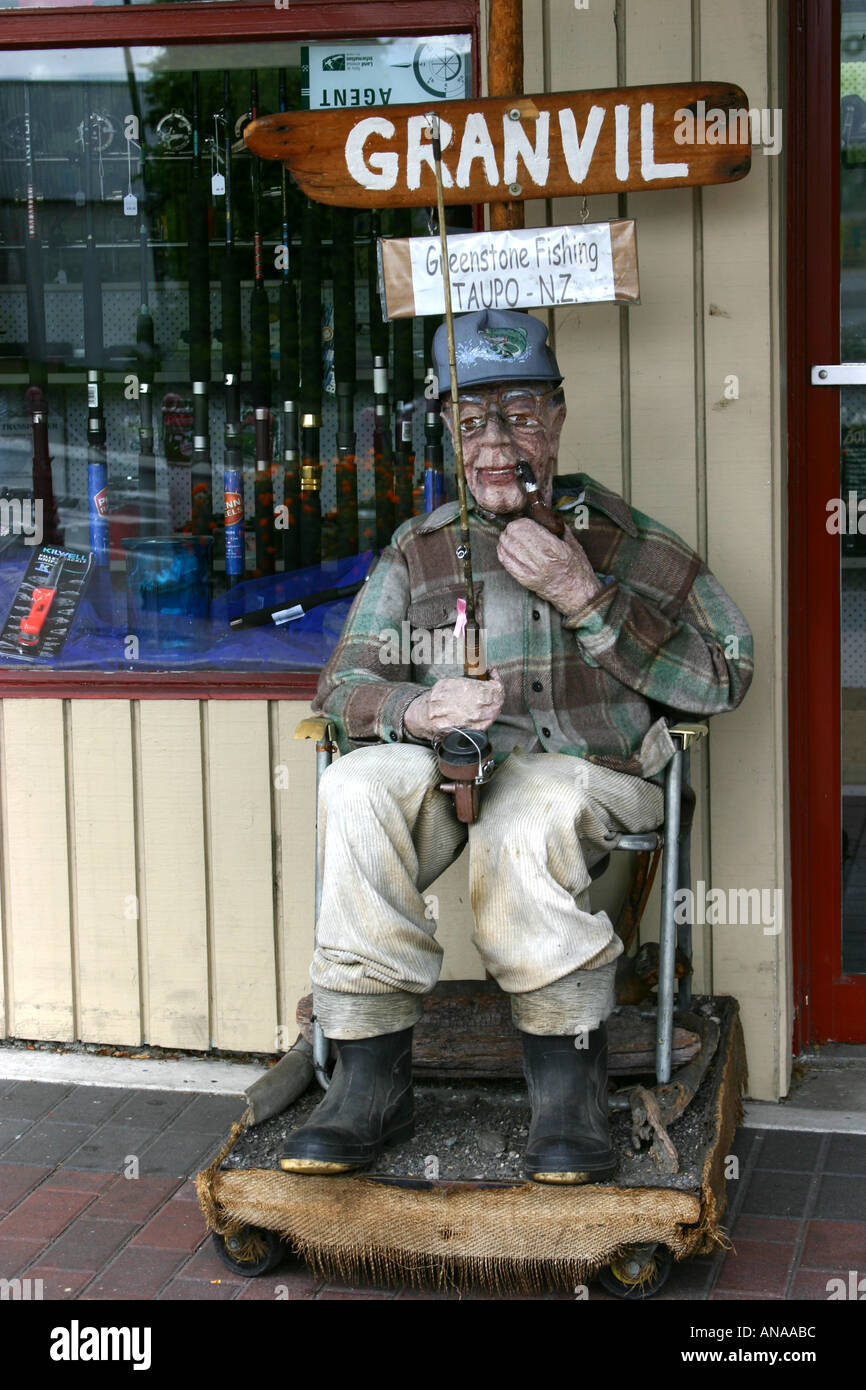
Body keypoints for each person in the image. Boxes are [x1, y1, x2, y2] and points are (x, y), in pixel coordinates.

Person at [280, 308, 754, 1183]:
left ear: (560, 422)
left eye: (522, 417)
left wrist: (587, 593)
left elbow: (726, 675)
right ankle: (371, 1084)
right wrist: (421, 710)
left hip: (596, 777)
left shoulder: (629, 542)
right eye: (471, 423)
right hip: (455, 775)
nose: (497, 444)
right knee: (354, 786)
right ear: (451, 437)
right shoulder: (420, 551)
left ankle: (568, 1099)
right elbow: (339, 691)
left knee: (529, 810)